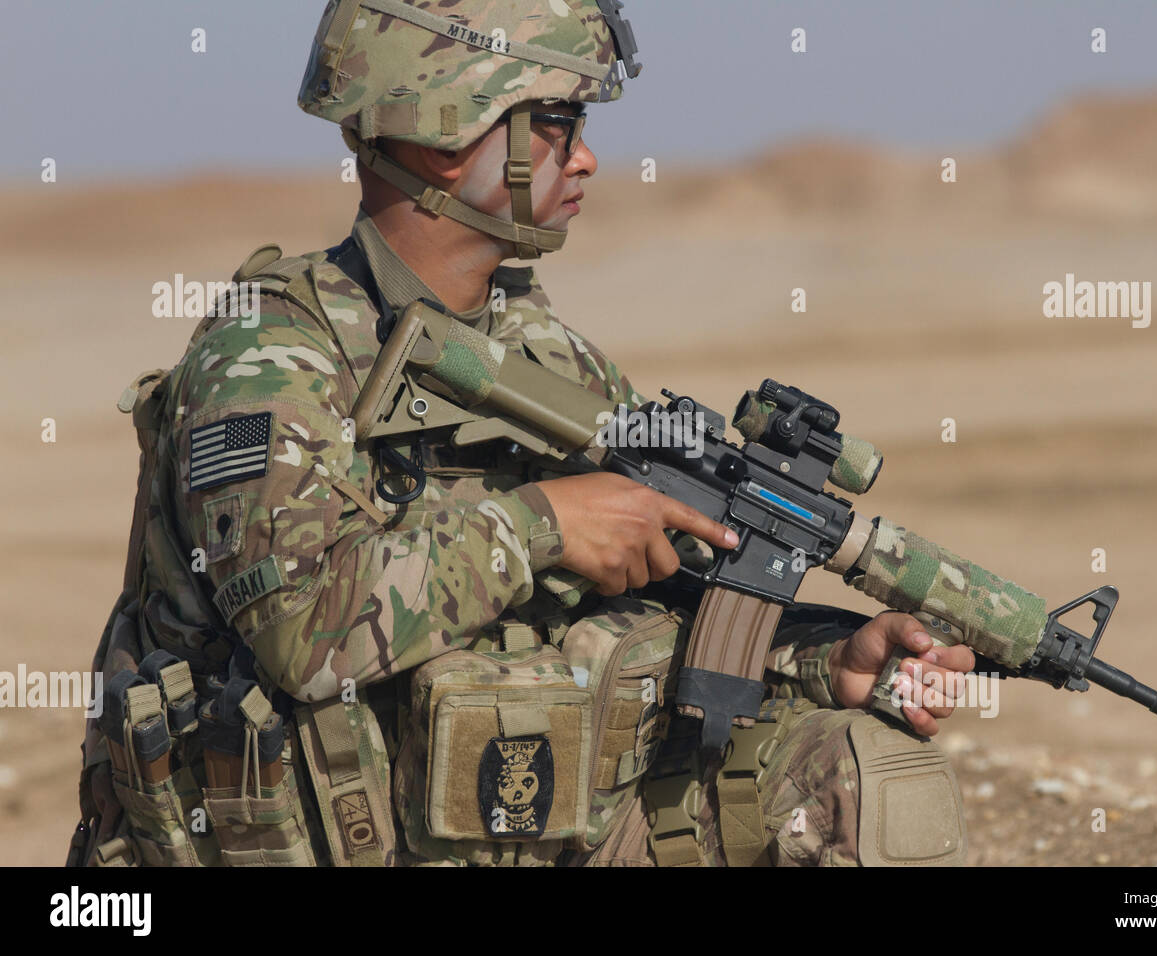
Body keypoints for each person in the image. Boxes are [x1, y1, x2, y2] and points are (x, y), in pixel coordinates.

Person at [74, 0, 972, 868]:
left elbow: (679, 591)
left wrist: (825, 659)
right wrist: (543, 522)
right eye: (553, 122)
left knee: (865, 776)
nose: (585, 159)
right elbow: (306, 635)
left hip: (513, 823)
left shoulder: (549, 357)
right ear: (441, 125)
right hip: (294, 839)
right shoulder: (270, 357)